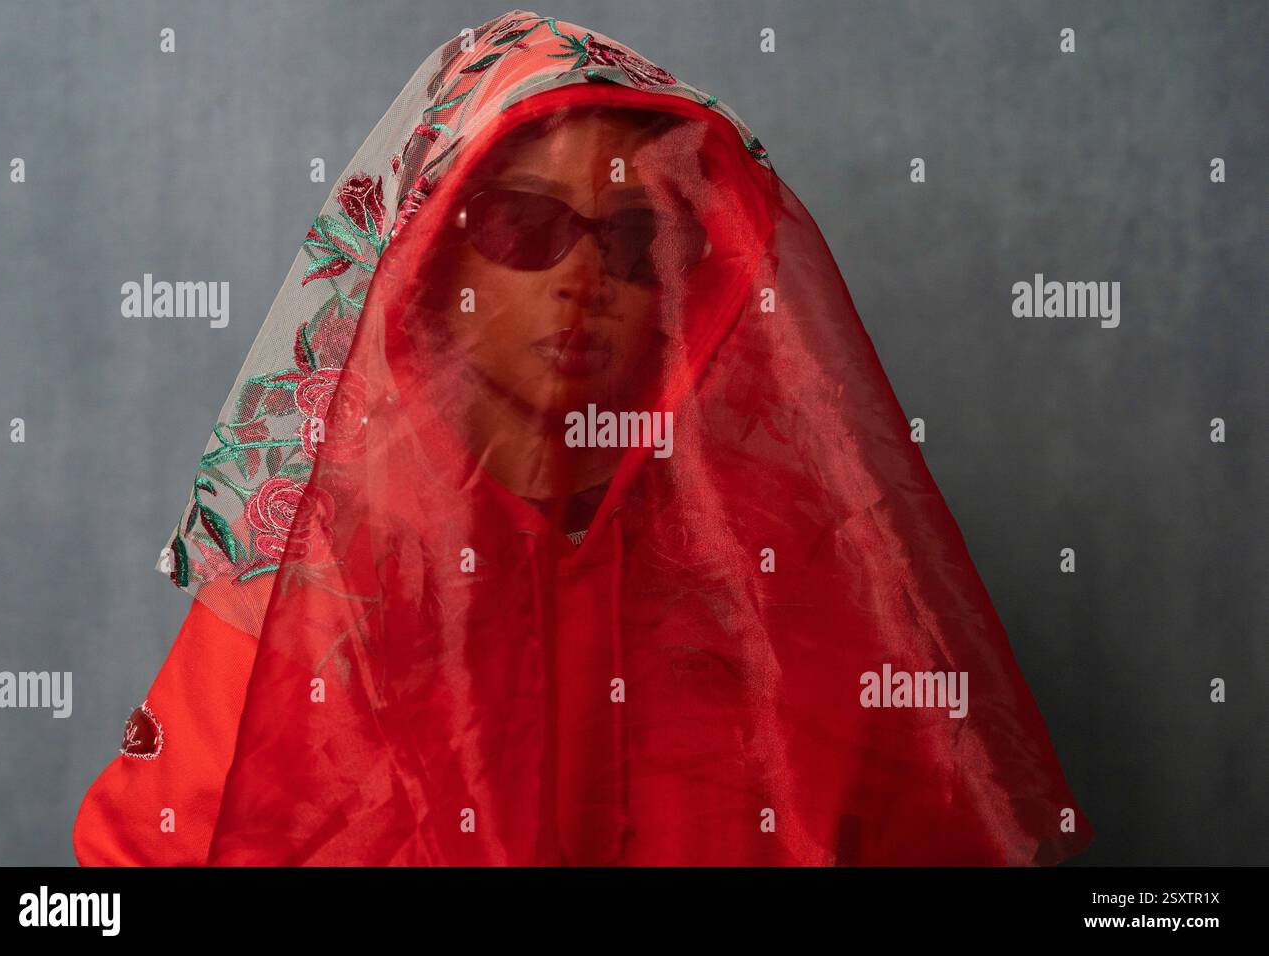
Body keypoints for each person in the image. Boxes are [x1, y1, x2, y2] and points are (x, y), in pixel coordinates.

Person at [74, 9, 1094, 866]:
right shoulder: (322, 581)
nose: (582, 281)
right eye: (525, 228)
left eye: (637, 240)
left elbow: (927, 828)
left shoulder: (772, 570)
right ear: (429, 262)